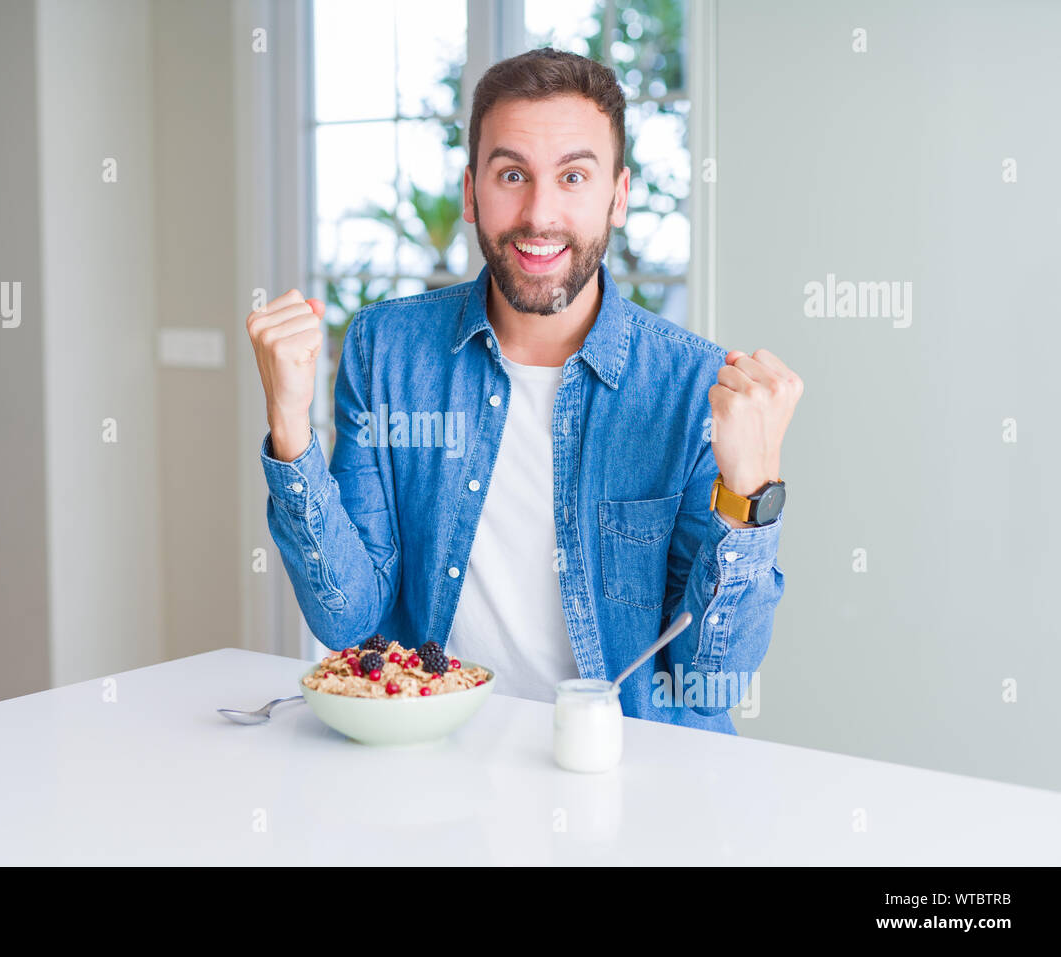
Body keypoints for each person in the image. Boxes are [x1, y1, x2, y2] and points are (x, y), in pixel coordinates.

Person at [245, 48, 802, 734]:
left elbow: (712, 682)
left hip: (634, 775)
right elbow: (348, 617)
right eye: (513, 174)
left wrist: (752, 493)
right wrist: (290, 424)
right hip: (444, 757)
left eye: (574, 175)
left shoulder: (694, 386)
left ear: (618, 195)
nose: (540, 214)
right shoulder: (384, 349)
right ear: (473, 191)